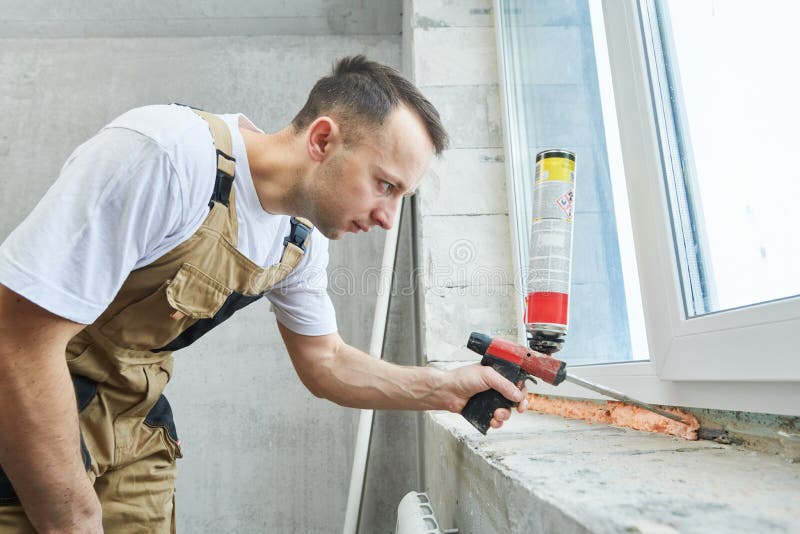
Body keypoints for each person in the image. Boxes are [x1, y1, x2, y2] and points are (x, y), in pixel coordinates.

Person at [0, 55, 527, 533]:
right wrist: (72, 516)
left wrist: (444, 389)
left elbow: (326, 362)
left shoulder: (298, 239)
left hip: (133, 427)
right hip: (31, 421)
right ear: (322, 140)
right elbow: (19, 342)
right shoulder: (166, 155)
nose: (389, 218)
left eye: (402, 196)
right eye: (385, 185)